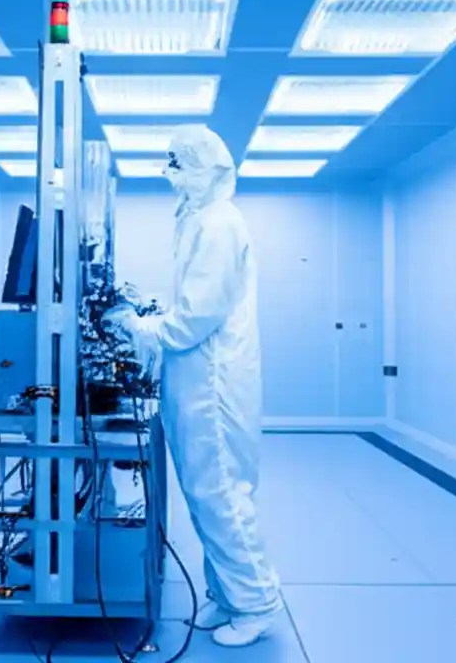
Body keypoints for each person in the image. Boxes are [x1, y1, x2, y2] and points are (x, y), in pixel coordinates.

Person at [105, 124, 282, 648]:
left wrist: (140, 326)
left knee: (223, 494)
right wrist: (152, 312)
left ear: (206, 168)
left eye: (179, 163)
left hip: (213, 384)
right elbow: (191, 301)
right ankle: (226, 596)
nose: (171, 174)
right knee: (204, 497)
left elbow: (197, 317)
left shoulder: (220, 223)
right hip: (193, 381)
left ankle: (255, 604)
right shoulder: (197, 221)